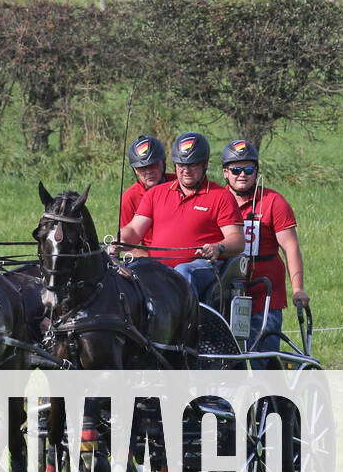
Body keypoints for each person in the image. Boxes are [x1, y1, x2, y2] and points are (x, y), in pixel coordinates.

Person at [119, 132, 244, 299]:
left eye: (192, 165)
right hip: (159, 267)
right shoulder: (155, 193)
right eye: (180, 165)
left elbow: (237, 239)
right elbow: (134, 230)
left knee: (182, 271)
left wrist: (218, 247)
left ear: (205, 164)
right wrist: (120, 240)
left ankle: (184, 322)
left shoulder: (221, 196)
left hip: (202, 267)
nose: (185, 171)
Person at [221, 139, 310, 358]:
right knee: (226, 359)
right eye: (236, 169)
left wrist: (298, 288)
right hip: (225, 295)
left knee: (264, 358)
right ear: (225, 173)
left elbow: (291, 247)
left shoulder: (274, 202)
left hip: (265, 294)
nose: (242, 174)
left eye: (248, 169)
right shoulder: (216, 200)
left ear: (257, 171)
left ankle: (270, 393)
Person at [120, 135, 175, 253]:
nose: (148, 171)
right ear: (135, 170)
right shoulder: (129, 197)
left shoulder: (179, 184)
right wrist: (144, 256)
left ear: (163, 162)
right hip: (150, 256)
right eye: (142, 168)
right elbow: (126, 243)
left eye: (153, 165)